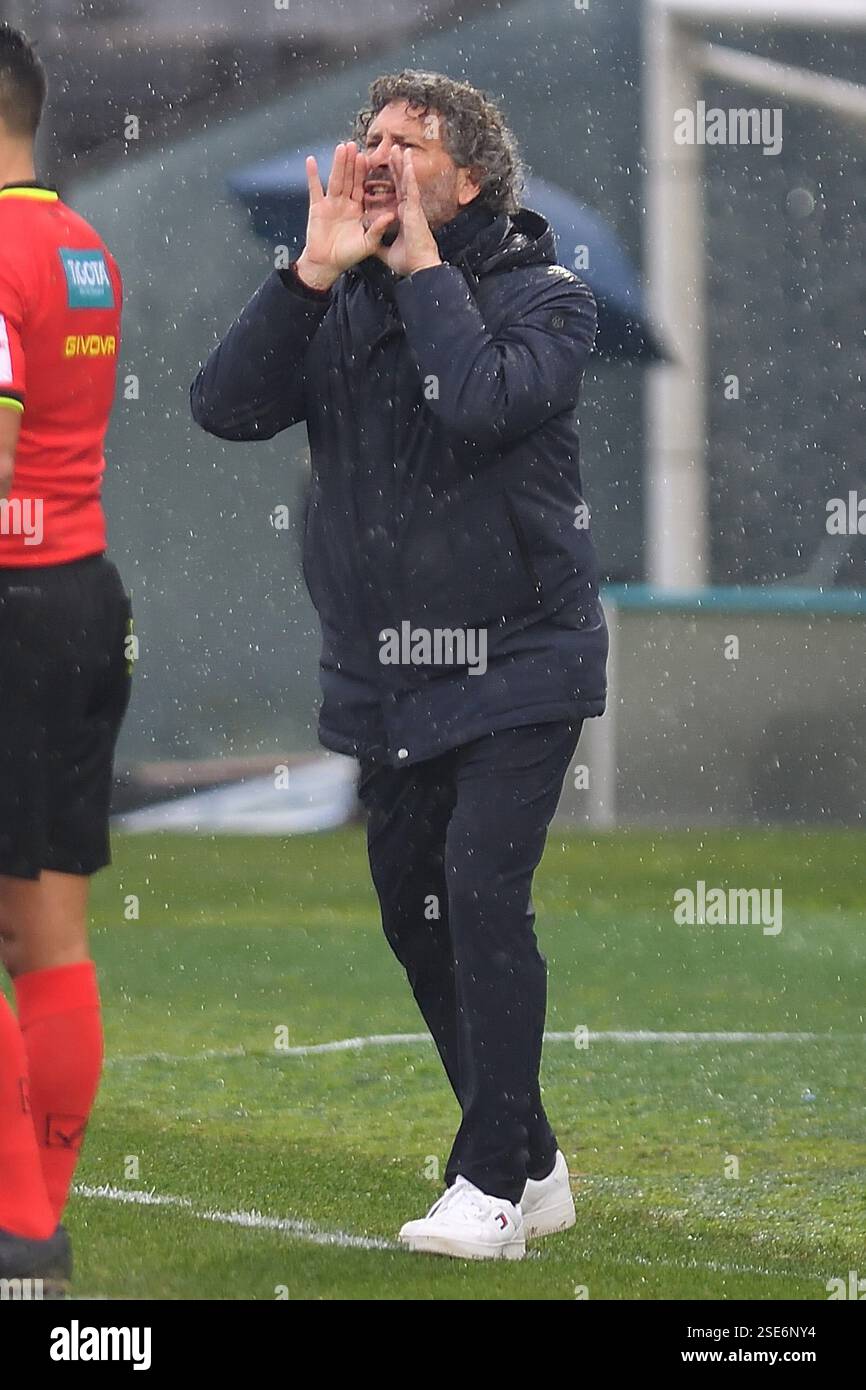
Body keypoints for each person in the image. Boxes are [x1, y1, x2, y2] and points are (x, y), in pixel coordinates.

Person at [191, 70, 607, 1261]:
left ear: (465, 181)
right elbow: (223, 405)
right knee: (414, 918)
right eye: (366, 137)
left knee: (479, 894)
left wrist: (420, 266)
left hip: (520, 656)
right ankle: (529, 1157)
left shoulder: (548, 298)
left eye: (406, 145)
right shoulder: (338, 295)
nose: (375, 157)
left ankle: (484, 1188)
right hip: (384, 674)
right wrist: (307, 275)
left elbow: (476, 401)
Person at [0, 23, 130, 1295]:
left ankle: (17, 1225)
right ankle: (34, 1227)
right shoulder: (84, 248)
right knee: (49, 935)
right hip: (78, 595)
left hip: (9, 604)